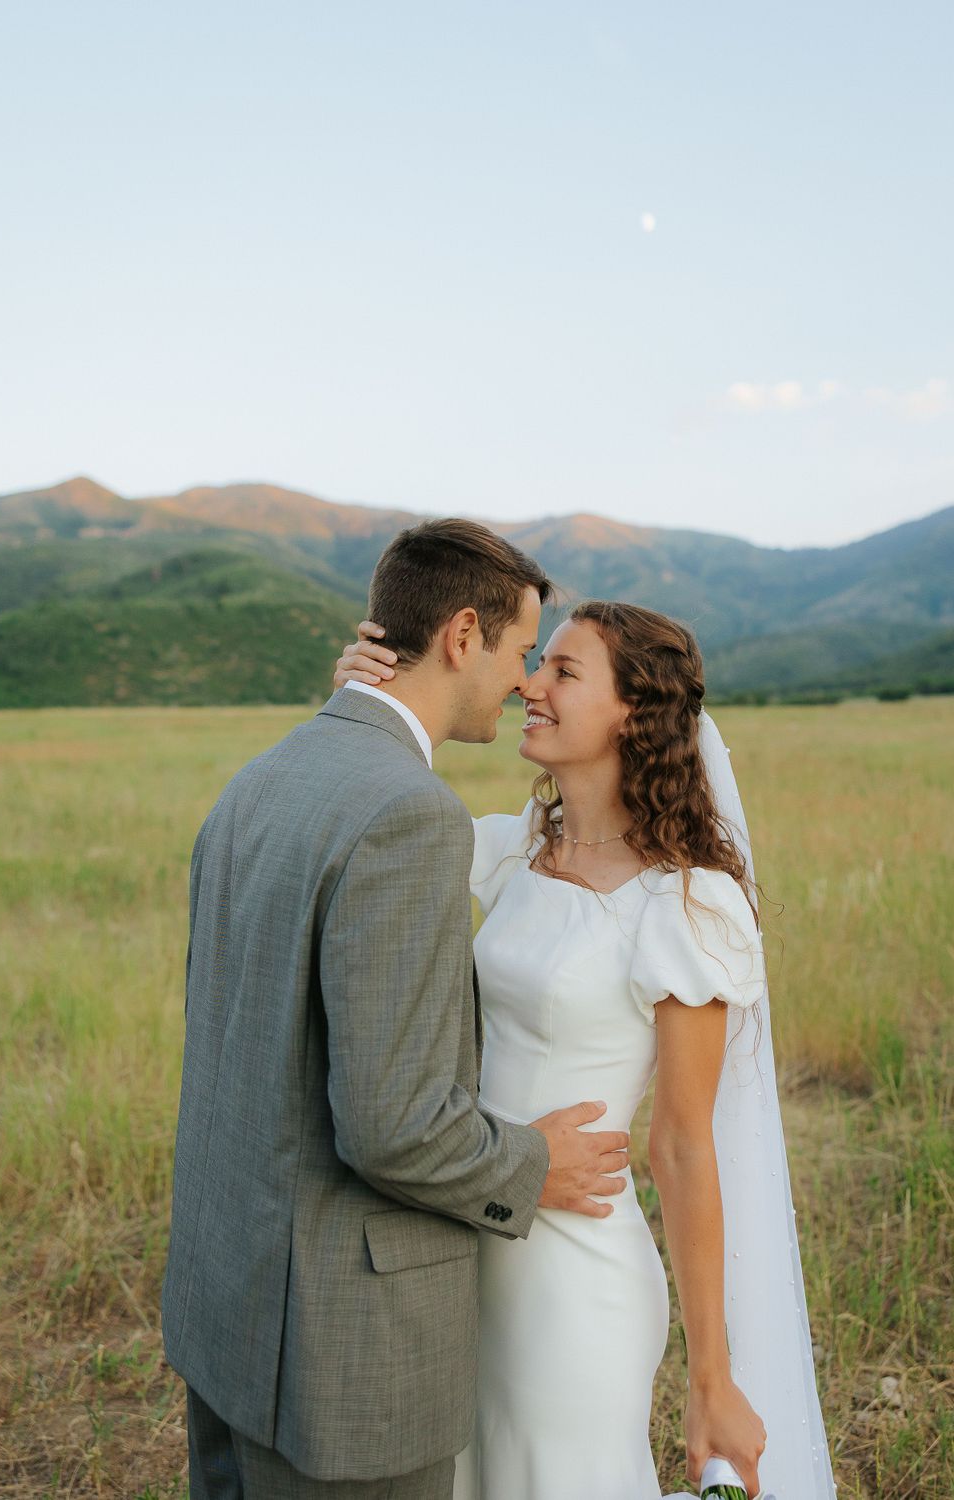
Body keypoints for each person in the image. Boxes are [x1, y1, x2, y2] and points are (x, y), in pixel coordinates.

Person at [161, 520, 631, 1500]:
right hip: (339, 1367)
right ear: (462, 635)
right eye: (517, 651)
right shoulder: (409, 817)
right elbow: (392, 1126)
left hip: (227, 1316)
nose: (523, 681)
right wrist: (532, 1161)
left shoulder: (261, 780)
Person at [335, 599, 836, 1499]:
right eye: (540, 663)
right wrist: (365, 704)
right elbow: (376, 829)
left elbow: (683, 1144)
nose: (531, 682)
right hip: (467, 1235)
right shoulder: (519, 848)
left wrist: (711, 1379)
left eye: (564, 671)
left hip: (573, 1280)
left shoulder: (686, 906)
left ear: (633, 714)